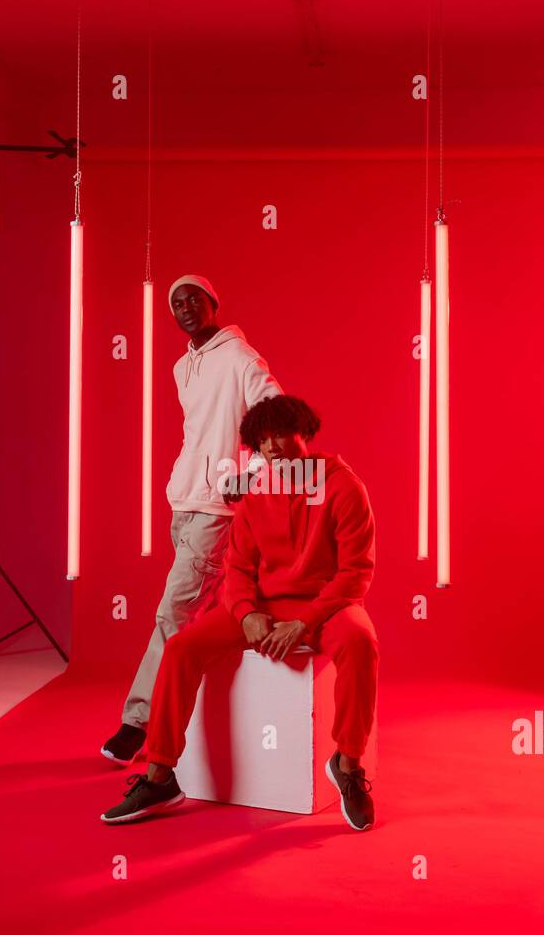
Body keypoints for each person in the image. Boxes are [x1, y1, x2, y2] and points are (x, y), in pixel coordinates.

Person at [100, 394, 379, 831]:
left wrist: (304, 622)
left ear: (303, 433)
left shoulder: (344, 487)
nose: (271, 447)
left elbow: (354, 573)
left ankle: (347, 763)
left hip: (325, 607)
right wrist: (247, 613)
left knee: (361, 642)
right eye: (261, 442)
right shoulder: (254, 493)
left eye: (280, 435)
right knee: (181, 647)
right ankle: (160, 775)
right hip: (262, 605)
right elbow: (238, 567)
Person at [100, 275, 282, 764]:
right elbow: (196, 433)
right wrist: (181, 483)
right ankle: (208, 721)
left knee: (171, 615)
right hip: (182, 503)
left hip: (215, 510)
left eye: (193, 299)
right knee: (199, 615)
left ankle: (139, 722)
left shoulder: (242, 357)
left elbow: (276, 416)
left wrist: (251, 472)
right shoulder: (183, 366)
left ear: (213, 303)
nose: (184, 308)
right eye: (176, 303)